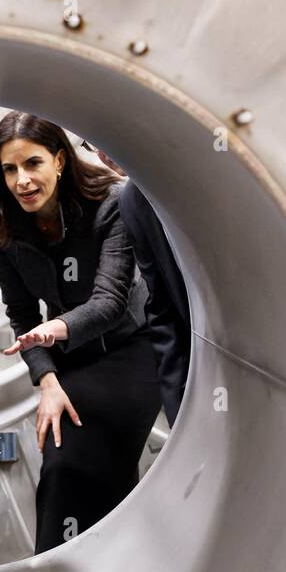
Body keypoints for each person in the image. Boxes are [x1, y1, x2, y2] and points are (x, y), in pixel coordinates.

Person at [0, 112, 170, 554]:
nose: (21, 180)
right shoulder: (1, 221)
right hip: (70, 357)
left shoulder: (110, 202)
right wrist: (46, 381)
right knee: (67, 466)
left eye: (33, 164)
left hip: (132, 350)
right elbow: (21, 311)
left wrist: (54, 330)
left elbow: (109, 302)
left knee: (94, 468)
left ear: (61, 161)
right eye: (9, 169)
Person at [86, 143, 192, 424]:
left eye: (105, 141)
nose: (103, 153)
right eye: (91, 145)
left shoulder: (195, 174)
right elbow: (162, 308)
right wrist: (178, 409)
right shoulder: (133, 201)